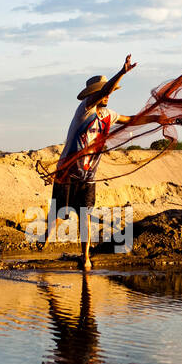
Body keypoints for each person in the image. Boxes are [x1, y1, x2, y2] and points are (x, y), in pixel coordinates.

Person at [51, 54, 137, 271]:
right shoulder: (85, 110)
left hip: (89, 175)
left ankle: (86, 257)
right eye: (103, 92)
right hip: (68, 171)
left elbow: (132, 120)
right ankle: (44, 238)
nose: (107, 96)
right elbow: (105, 91)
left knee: (85, 217)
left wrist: (158, 118)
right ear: (94, 94)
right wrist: (122, 72)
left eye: (108, 93)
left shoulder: (109, 114)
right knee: (59, 214)